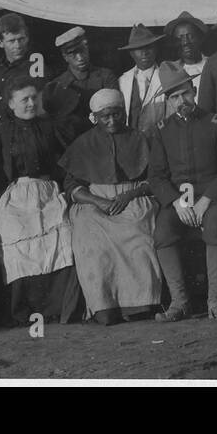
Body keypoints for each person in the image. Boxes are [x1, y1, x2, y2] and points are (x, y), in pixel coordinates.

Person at [148, 62, 217, 322]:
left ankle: (216, 302)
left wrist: (205, 202)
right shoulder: (161, 130)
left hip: (212, 196)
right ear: (168, 101)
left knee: (214, 227)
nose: (182, 101)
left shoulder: (215, 123)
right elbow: (156, 176)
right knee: (163, 232)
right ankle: (180, 303)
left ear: (194, 90)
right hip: (179, 200)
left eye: (186, 93)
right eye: (175, 97)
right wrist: (176, 202)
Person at [0, 74, 83, 325]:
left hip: (48, 190)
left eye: (33, 98)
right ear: (10, 104)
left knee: (61, 237)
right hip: (16, 195)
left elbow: (66, 162)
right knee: (16, 238)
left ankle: (57, 307)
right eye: (23, 99)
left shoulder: (50, 126)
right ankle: (23, 310)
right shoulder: (1, 132)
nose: (30, 103)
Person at [59, 89, 161, 326]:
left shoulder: (140, 138)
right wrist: (98, 201)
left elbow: (155, 177)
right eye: (105, 116)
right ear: (94, 117)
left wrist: (130, 195)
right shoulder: (83, 143)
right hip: (94, 202)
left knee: (139, 233)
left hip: (133, 197)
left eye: (116, 115)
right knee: (91, 241)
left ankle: (138, 302)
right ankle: (104, 304)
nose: (112, 121)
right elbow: (72, 185)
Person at [43, 27, 119, 135]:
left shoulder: (106, 76)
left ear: (87, 48)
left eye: (82, 51)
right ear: (65, 57)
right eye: (72, 54)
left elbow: (113, 113)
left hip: (104, 137)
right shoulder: (58, 85)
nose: (80, 57)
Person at [0, 13, 42, 126]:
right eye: (11, 41)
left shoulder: (36, 67)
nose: (18, 45)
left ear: (27, 38)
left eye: (21, 39)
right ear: (0, 43)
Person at [117, 24, 167, 135]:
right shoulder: (123, 81)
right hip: (130, 140)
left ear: (156, 49)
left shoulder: (166, 77)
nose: (144, 52)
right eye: (139, 48)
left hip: (158, 139)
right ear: (131, 53)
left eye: (149, 47)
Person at [164, 11, 209, 94]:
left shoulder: (213, 64)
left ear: (200, 38)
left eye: (190, 36)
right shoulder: (172, 70)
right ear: (174, 42)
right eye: (180, 38)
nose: (185, 42)